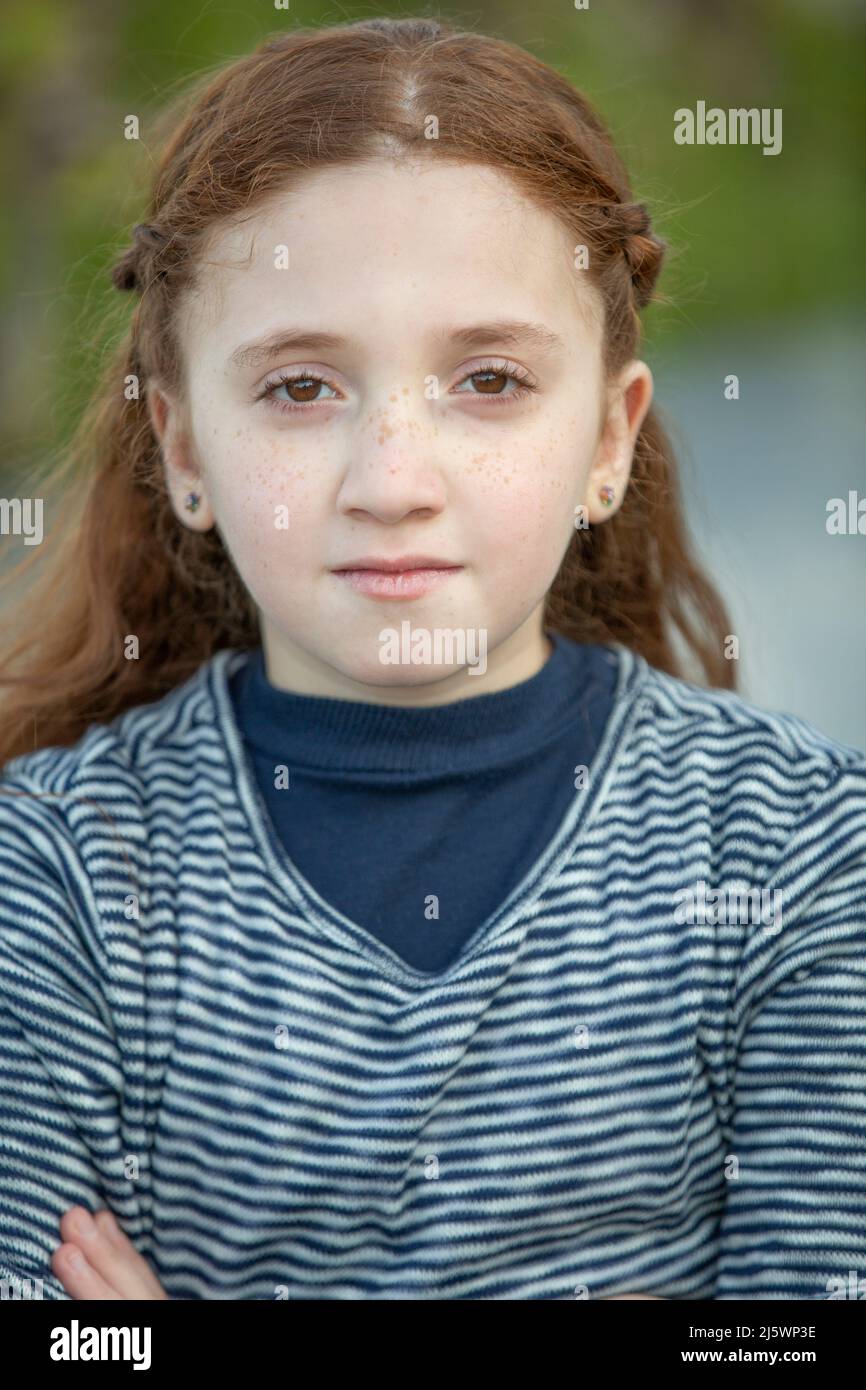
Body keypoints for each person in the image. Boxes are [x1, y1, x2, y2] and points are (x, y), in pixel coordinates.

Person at [0, 16, 864, 1302]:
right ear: (183, 449)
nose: (392, 481)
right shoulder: (57, 873)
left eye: (490, 379)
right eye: (300, 388)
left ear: (605, 439)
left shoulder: (792, 846)